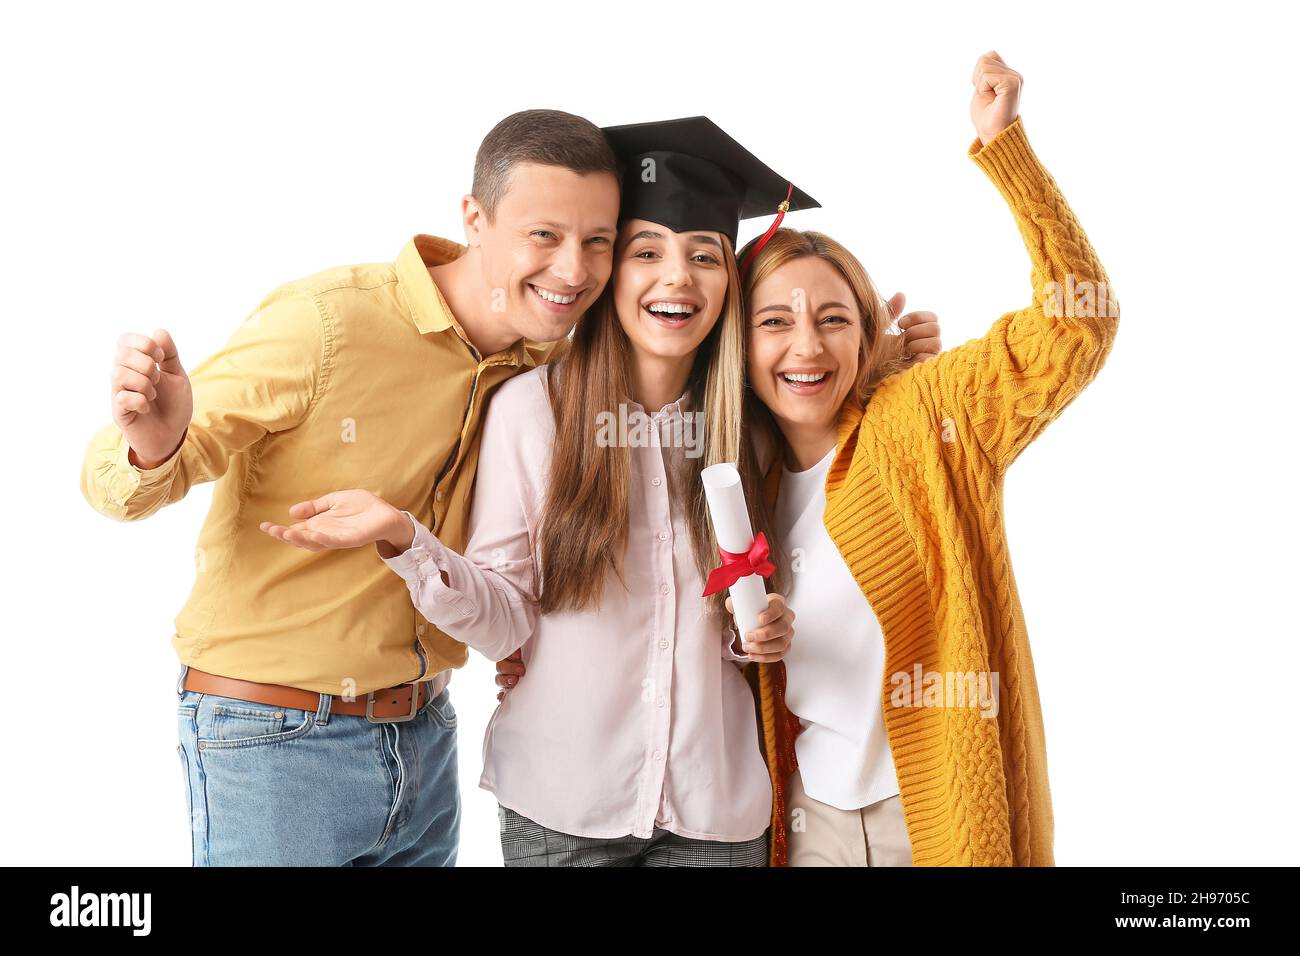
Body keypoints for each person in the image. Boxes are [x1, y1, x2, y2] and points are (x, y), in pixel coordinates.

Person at [261, 116, 944, 866]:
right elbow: (505, 620)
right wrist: (406, 541)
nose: (677, 278)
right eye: (645, 251)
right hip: (562, 808)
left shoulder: (753, 432)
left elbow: (826, 508)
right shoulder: (529, 412)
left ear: (729, 284)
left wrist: (885, 377)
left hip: (716, 811)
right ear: (610, 271)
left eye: (705, 256)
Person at [79, 109, 622, 866]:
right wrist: (154, 442)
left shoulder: (545, 371)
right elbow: (118, 487)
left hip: (426, 738)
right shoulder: (329, 323)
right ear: (474, 218)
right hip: (275, 739)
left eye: (598, 241)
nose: (574, 270)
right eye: (545, 235)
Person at [737, 51, 1118, 866]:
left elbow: (1076, 326)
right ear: (737, 344)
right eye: (774, 322)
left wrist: (1006, 149)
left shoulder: (926, 419)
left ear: (872, 329)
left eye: (833, 318)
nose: (806, 346)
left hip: (933, 811)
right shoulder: (738, 479)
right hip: (804, 820)